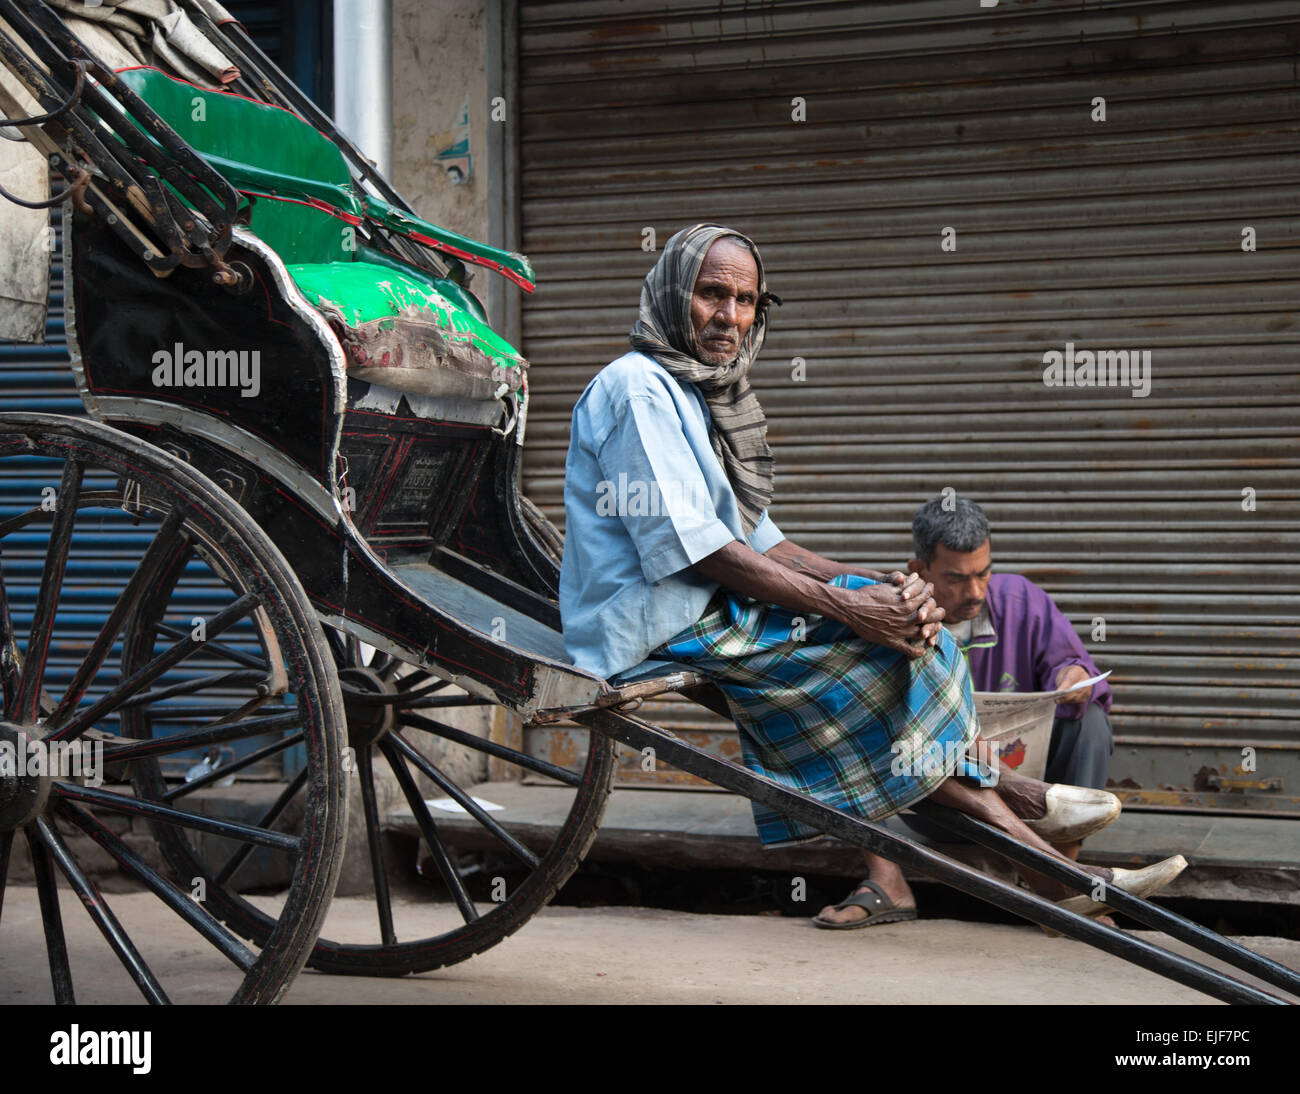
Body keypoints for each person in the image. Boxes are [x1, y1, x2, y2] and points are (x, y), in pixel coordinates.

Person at [559, 223, 1182, 930]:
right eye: (712, 294)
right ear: (676, 293)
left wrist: (877, 586)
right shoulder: (640, 389)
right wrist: (856, 614)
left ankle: (1056, 863)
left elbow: (768, 543)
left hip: (712, 604)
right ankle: (1039, 829)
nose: (729, 317)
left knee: (909, 623)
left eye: (745, 300)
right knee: (878, 658)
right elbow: (698, 551)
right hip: (657, 618)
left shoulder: (700, 395)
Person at [907, 496, 1114, 865]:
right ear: (920, 570)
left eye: (983, 573)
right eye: (956, 578)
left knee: (1091, 723)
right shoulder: (895, 618)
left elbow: (1070, 661)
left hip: (1030, 783)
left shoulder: (1020, 600)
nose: (974, 592)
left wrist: (1074, 676)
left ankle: (1068, 866)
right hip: (944, 797)